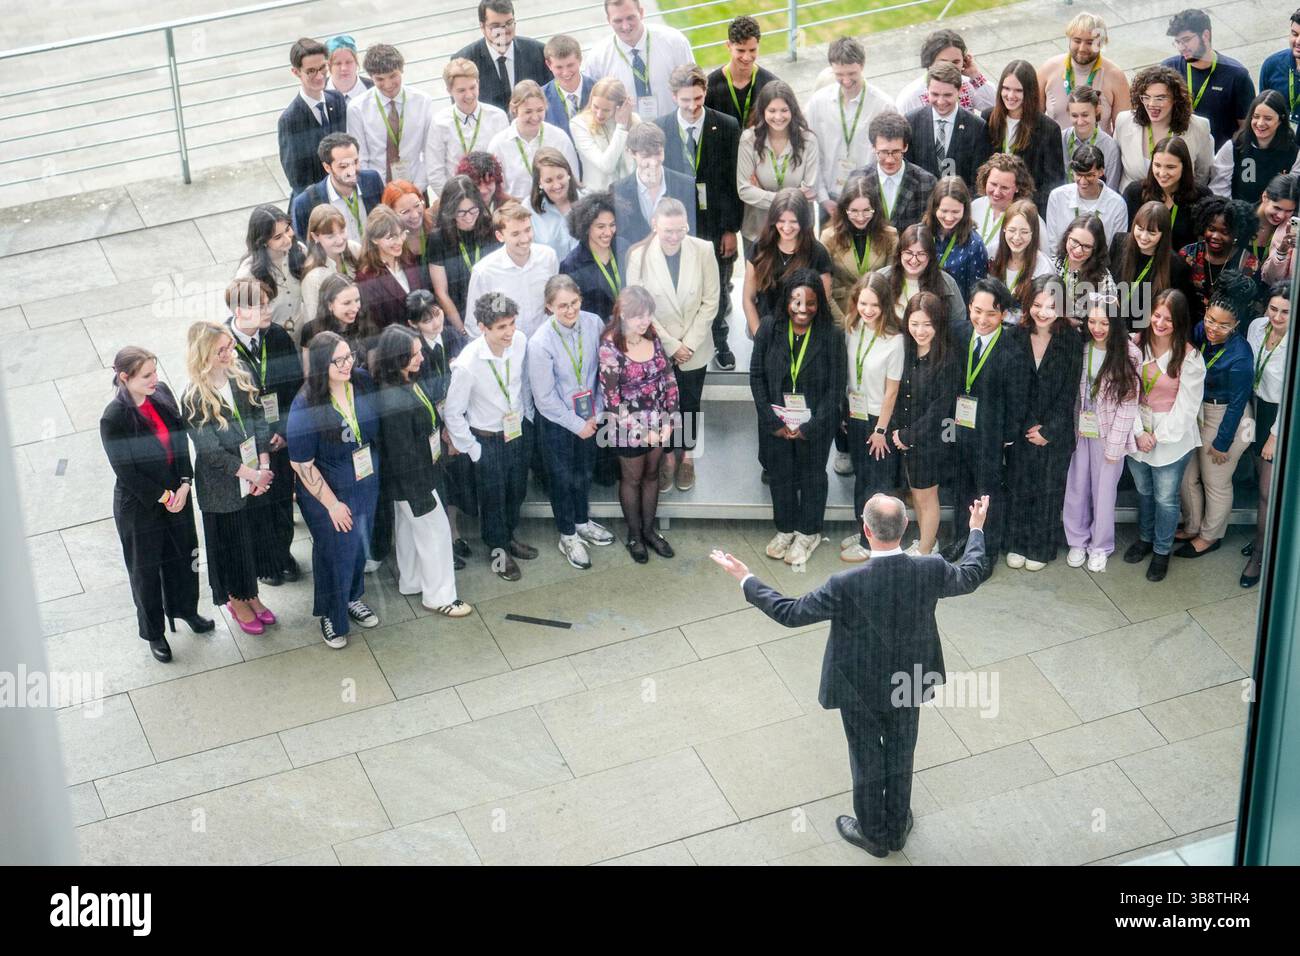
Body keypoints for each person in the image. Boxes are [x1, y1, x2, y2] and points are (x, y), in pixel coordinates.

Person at [712, 493, 990, 859]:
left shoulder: (845, 583)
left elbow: (790, 613)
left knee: (865, 757)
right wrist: (975, 530)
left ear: (866, 530)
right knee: (902, 751)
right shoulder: (931, 568)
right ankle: (896, 825)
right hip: (909, 680)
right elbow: (971, 574)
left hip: (858, 685)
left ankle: (873, 832)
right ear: (907, 527)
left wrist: (746, 577)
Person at [101, 347, 213, 663]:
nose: (155, 380)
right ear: (125, 378)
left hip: (177, 493)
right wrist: (166, 497)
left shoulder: (161, 394)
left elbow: (180, 444)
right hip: (141, 506)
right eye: (146, 375)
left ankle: (185, 610)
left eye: (155, 372)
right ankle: (154, 633)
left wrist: (185, 483)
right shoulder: (114, 418)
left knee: (183, 556)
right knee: (146, 572)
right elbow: (126, 472)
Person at [369, 325, 472, 618]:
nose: (420, 359)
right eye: (412, 355)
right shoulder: (394, 399)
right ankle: (440, 596)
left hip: (410, 480)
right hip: (416, 480)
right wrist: (421, 490)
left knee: (408, 531)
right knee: (435, 533)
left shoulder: (399, 384)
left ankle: (411, 581)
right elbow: (402, 454)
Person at [287, 331, 381, 645]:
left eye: (348, 357)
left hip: (364, 481)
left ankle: (352, 596)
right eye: (337, 360)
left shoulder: (362, 381)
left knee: (356, 546)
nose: (346, 364)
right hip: (328, 494)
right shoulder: (305, 405)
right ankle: (332, 613)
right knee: (334, 553)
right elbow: (301, 464)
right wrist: (332, 505)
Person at [182, 321, 275, 637]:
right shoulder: (195, 397)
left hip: (252, 474)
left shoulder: (240, 376)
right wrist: (253, 474)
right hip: (223, 486)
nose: (228, 353)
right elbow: (211, 453)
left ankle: (252, 595)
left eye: (229, 347)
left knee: (248, 542)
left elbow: (260, 420)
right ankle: (237, 600)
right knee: (230, 545)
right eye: (220, 350)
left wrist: (263, 461)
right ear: (204, 354)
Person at [751, 269, 847, 566]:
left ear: (820, 303)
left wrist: (810, 426)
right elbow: (756, 377)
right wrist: (774, 422)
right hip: (777, 424)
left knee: (812, 475)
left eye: (810, 302)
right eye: (796, 302)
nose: (803, 309)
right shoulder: (769, 328)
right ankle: (785, 529)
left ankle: (808, 532)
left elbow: (836, 388)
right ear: (786, 301)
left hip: (815, 424)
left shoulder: (832, 335)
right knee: (781, 475)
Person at [626, 197, 720, 495]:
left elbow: (711, 300)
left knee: (690, 403)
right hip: (656, 348)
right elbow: (638, 309)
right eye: (668, 231)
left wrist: (688, 344)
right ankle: (668, 458)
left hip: (695, 346)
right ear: (654, 225)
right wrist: (670, 345)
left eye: (681, 230)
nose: (675, 236)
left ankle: (687, 457)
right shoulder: (638, 256)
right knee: (662, 407)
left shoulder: (703, 250)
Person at [444, 292, 538, 580]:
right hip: (487, 439)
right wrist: (474, 450)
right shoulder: (468, 364)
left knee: (516, 491)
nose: (509, 331)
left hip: (516, 432)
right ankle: (498, 552)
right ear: (483, 327)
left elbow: (519, 384)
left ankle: (508, 538)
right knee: (493, 499)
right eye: (501, 327)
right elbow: (453, 413)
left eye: (511, 323)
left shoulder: (519, 341)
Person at [656, 63, 742, 372]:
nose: (692, 107)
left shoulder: (727, 126)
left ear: (705, 92)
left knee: (715, 286)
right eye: (685, 100)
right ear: (673, 96)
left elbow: (734, 182)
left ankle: (720, 339)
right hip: (677, 226)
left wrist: (731, 229)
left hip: (715, 223)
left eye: (697, 98)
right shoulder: (661, 128)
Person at [527, 275, 615, 568]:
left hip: (590, 415)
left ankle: (582, 521)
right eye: (562, 305)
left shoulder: (594, 323)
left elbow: (603, 373)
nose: (570, 310)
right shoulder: (540, 342)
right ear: (549, 306)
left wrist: (597, 413)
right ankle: (567, 535)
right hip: (558, 422)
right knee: (562, 479)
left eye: (574, 302)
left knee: (584, 473)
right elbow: (544, 399)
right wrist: (578, 425)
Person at [944, 277, 1027, 576]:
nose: (982, 319)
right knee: (960, 488)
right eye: (977, 310)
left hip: (990, 436)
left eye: (991, 313)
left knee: (987, 492)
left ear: (1002, 314)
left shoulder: (1012, 350)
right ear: (968, 307)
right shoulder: (958, 333)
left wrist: (1006, 438)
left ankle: (986, 551)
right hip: (957, 427)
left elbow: (1017, 401)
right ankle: (961, 539)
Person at [224, 277, 304, 588]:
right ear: (240, 311)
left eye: (267, 302)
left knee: (282, 496)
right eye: (259, 305)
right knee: (256, 503)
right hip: (247, 444)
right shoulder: (224, 347)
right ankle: (264, 561)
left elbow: (294, 386)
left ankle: (282, 554)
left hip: (278, 437)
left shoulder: (277, 337)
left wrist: (284, 430)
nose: (267, 309)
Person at [1124, 289, 1206, 582]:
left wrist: (1155, 436)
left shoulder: (1190, 357)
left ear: (1179, 322)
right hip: (1135, 431)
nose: (1159, 322)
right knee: (1143, 492)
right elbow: (1123, 393)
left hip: (1170, 437)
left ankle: (1161, 551)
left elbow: (1187, 409)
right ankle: (1145, 539)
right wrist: (1137, 432)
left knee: (1166, 498)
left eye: (1168, 319)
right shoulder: (1133, 344)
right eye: (1156, 315)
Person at [1176, 270, 1257, 559]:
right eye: (1211, 319)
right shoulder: (1200, 330)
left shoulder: (1241, 356)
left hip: (1226, 419)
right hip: (1198, 411)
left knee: (1216, 482)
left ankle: (1211, 536)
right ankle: (1192, 524)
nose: (1213, 328)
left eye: (1223, 325)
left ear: (1236, 325)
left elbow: (1237, 405)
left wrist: (1222, 443)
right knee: (1187, 477)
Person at [1004, 276, 1082, 570]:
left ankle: (1040, 546)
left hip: (1054, 431)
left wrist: (1049, 430)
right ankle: (1017, 543)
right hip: (1020, 428)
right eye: (1037, 305)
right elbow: (1009, 386)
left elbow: (1069, 392)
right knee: (1018, 486)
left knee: (1048, 490)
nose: (1042, 312)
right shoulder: (1014, 336)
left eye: (1051, 306)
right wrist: (1018, 427)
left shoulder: (1071, 340)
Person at [598, 285, 679, 562]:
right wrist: (641, 432)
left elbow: (668, 377)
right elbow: (611, 398)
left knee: (652, 475)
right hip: (626, 428)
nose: (644, 321)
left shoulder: (653, 336)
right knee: (631, 479)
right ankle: (634, 535)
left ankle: (649, 531)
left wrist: (669, 419)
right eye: (637, 317)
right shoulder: (610, 345)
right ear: (622, 315)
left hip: (658, 421)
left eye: (647, 315)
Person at [1062, 293, 1141, 573]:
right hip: (1081, 426)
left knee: (1104, 491)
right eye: (1092, 322)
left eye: (1104, 322)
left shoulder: (1130, 353)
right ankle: (1077, 539)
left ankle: (1100, 546)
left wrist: (1116, 445)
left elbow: (1129, 403)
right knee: (1077, 485)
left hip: (1110, 431)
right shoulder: (1083, 348)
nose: (1097, 328)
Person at [403, 290, 475, 567]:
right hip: (430, 425)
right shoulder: (414, 349)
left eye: (436, 314)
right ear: (413, 324)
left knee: (458, 480)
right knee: (438, 482)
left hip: (458, 418)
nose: (435, 322)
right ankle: (442, 541)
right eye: (426, 320)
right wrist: (442, 425)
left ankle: (455, 532)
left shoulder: (455, 337)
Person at [837, 272, 904, 563]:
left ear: (885, 305)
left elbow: (892, 392)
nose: (868, 310)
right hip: (855, 413)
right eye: (863, 303)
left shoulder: (895, 339)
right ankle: (862, 528)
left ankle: (872, 543)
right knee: (862, 476)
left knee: (879, 482)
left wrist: (880, 429)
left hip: (879, 419)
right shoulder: (852, 329)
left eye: (874, 305)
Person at [892, 292, 960, 555]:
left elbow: (940, 408)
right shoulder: (906, 351)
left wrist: (910, 435)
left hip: (930, 441)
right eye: (914, 323)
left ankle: (926, 549)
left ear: (939, 324)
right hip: (906, 437)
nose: (920, 331)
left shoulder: (947, 358)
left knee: (926, 496)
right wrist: (898, 431)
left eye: (927, 325)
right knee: (916, 494)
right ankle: (925, 541)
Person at [805, 38, 892, 218]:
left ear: (862, 65)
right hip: (829, 198)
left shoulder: (883, 106)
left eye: (852, 73)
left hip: (868, 200)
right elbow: (812, 152)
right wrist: (822, 198)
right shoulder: (818, 103)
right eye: (839, 74)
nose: (845, 80)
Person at [1241, 283, 1291, 587]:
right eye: (1273, 309)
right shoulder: (1257, 326)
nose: (1277, 316)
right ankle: (1266, 537)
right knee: (1260, 479)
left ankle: (1260, 553)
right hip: (1255, 407)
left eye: (1285, 311)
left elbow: (1292, 395)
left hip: (1279, 415)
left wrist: (1274, 435)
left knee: (1266, 491)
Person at [742, 188, 834, 338]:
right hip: (765, 330)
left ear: (804, 222)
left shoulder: (818, 253)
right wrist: (760, 335)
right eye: (781, 221)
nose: (786, 227)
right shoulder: (760, 247)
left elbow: (823, 303)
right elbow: (748, 298)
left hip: (802, 335)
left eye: (793, 222)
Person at [1161, 9, 1256, 150]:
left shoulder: (1236, 75)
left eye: (1186, 40)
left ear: (1205, 35)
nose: (1181, 47)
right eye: (1177, 42)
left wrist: (1227, 157)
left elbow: (1246, 127)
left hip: (1218, 161)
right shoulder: (1168, 69)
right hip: (1178, 158)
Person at [737, 81, 821, 242]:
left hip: (798, 231)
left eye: (784, 110)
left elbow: (809, 189)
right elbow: (744, 190)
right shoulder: (749, 139)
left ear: (793, 111)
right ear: (763, 111)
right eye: (772, 111)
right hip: (759, 231)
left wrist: (762, 192)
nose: (778, 117)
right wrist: (792, 197)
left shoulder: (808, 141)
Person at [586, 0, 693, 119]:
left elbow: (694, 87)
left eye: (630, 18)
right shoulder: (597, 58)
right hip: (627, 134)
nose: (625, 26)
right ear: (608, 20)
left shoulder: (675, 43)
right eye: (618, 20)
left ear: (641, 12)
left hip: (675, 127)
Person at [346, 43, 434, 190]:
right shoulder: (357, 108)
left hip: (415, 187)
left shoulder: (423, 101)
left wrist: (416, 190)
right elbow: (361, 158)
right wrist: (375, 191)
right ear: (370, 77)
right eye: (379, 79)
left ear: (402, 70)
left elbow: (429, 153)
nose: (388, 85)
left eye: (393, 76)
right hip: (377, 190)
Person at [465, 201, 559, 336]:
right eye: (515, 234)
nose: (525, 239)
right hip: (506, 349)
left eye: (528, 230)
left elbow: (554, 301)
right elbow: (474, 325)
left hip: (544, 343)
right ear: (500, 236)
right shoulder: (484, 272)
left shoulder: (548, 257)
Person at [1114, 66, 1215, 190]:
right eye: (1146, 97)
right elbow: (1116, 168)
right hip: (1134, 202)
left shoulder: (1199, 127)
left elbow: (1202, 174)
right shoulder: (1123, 121)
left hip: (1178, 203)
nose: (1151, 104)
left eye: (1160, 98)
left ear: (1175, 99)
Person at [984, 60, 1064, 212]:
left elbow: (1052, 184)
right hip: (991, 204)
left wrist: (1025, 209)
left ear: (1029, 92)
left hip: (1025, 210)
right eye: (1006, 88)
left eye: (1018, 90)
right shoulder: (988, 118)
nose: (1010, 95)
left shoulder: (1048, 129)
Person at [425, 58, 511, 198]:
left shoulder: (498, 117)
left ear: (478, 84)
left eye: (473, 87)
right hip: (459, 198)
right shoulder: (440, 123)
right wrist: (455, 201)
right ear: (449, 90)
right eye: (461, 90)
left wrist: (497, 194)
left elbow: (506, 162)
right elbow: (435, 171)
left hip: (493, 195)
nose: (469, 95)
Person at [451, 0, 553, 114]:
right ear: (482, 27)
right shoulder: (464, 61)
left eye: (509, 23)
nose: (503, 31)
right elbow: (460, 112)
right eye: (495, 26)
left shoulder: (538, 52)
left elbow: (551, 102)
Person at [1037, 11, 1131, 134]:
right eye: (1077, 41)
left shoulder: (1116, 77)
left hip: (1098, 152)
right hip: (1056, 151)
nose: (1082, 49)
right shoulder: (1048, 69)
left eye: (1090, 43)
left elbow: (1123, 130)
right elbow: (1032, 121)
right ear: (1069, 39)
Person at [428, 175, 500, 334]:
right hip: (458, 313)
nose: (468, 218)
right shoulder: (438, 239)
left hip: (493, 312)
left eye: (473, 210)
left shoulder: (490, 228)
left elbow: (500, 278)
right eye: (461, 213)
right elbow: (441, 292)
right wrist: (462, 329)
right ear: (449, 211)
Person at [820, 173, 898, 321]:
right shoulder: (828, 237)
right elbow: (825, 291)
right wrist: (843, 325)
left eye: (866, 211)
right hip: (842, 314)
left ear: (875, 208)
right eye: (854, 211)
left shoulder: (890, 236)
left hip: (877, 315)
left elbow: (892, 284)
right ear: (844, 210)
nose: (861, 217)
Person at [487, 79, 581, 201]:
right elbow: (495, 190)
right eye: (528, 111)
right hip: (515, 213)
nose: (535, 117)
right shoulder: (498, 144)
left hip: (555, 210)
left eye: (540, 110)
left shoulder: (559, 138)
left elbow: (573, 180)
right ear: (514, 109)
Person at [278, 37, 348, 201]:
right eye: (310, 71)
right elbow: (297, 178)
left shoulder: (337, 100)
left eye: (322, 68)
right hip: (316, 203)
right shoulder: (290, 120)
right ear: (296, 72)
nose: (319, 76)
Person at [1108, 200, 1196, 330]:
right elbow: (1105, 278)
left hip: (1145, 333)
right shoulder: (1119, 242)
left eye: (1152, 233)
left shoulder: (1176, 266)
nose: (1144, 237)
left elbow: (1179, 310)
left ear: (1163, 234)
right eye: (1140, 228)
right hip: (1111, 325)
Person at [904, 61, 991, 190]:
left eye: (947, 95)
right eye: (935, 94)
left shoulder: (977, 127)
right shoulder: (911, 122)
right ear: (927, 90)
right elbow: (907, 173)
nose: (940, 101)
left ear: (960, 91)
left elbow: (978, 181)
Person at [612, 122, 698, 246]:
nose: (653, 162)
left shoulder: (686, 185)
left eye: (658, 154)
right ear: (631, 153)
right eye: (645, 155)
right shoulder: (618, 191)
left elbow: (693, 233)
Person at [1121, 135, 1211, 253]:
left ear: (1184, 167)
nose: (1162, 173)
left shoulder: (1201, 196)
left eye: (1170, 167)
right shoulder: (1135, 192)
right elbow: (1127, 236)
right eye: (1157, 165)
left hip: (1181, 267)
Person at [290, 132, 384, 243]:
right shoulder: (306, 203)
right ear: (327, 167)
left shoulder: (372, 180)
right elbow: (306, 248)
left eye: (355, 162)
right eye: (343, 166)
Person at [235, 204, 307, 342]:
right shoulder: (246, 275)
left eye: (288, 229)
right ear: (263, 242)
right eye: (278, 237)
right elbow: (242, 324)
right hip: (272, 345)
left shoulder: (300, 251)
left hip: (303, 336)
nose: (287, 238)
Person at [355, 205, 431, 337]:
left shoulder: (408, 259)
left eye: (401, 234)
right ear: (374, 239)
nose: (399, 241)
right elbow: (375, 325)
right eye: (390, 237)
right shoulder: (366, 277)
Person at [1179, 197, 1261, 320]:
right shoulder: (1188, 254)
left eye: (1225, 232)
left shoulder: (1249, 264)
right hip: (1188, 321)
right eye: (1211, 229)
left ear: (1237, 233)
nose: (1216, 236)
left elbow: (1251, 306)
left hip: (1227, 329)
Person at [854, 111, 935, 234]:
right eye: (884, 152)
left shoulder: (927, 182)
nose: (890, 159)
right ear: (873, 147)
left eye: (896, 152)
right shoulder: (857, 180)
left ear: (906, 147)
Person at [1211, 92, 1299, 205]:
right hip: (1237, 215)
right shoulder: (1234, 147)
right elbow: (1219, 190)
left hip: (1276, 217)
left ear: (1280, 121)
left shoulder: (1294, 154)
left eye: (1268, 118)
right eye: (1256, 117)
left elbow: (1293, 197)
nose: (1260, 123)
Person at [880, 223, 969, 332]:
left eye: (921, 254)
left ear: (930, 255)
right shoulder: (882, 278)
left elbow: (958, 323)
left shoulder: (947, 283)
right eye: (908, 253)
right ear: (899, 253)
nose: (914, 260)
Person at [1044, 145, 1129, 252]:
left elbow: (1116, 250)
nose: (1083, 182)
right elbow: (1053, 245)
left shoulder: (1117, 205)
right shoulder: (1057, 197)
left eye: (1089, 175)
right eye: (1078, 175)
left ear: (1101, 172)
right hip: (1063, 265)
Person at [561, 191, 628, 324]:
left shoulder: (624, 247)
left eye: (612, 225)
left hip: (629, 325)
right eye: (601, 227)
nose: (608, 232)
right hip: (596, 331)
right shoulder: (572, 264)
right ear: (586, 227)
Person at [895, 28, 995, 115]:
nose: (950, 68)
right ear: (929, 62)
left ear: (964, 62)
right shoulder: (910, 97)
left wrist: (974, 75)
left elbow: (996, 107)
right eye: (943, 62)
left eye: (956, 62)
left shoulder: (968, 85)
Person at [923, 176, 988, 303]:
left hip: (955, 315)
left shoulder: (974, 244)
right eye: (944, 211)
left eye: (955, 212)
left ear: (965, 209)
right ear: (934, 208)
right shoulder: (921, 234)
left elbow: (977, 292)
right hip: (920, 313)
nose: (949, 217)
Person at [705, 15, 776, 130]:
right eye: (740, 50)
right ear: (728, 46)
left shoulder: (771, 84)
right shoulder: (709, 87)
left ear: (759, 45)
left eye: (752, 50)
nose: (747, 57)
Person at [988, 199, 1055, 320]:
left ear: (1033, 233)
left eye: (1024, 232)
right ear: (1004, 229)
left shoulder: (1044, 267)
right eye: (1012, 230)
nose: (1017, 237)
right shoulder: (991, 252)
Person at [970, 153, 1046, 256]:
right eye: (993, 184)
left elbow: (1044, 256)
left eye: (1004, 188)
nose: (996, 192)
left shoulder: (1030, 217)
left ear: (1018, 188)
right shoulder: (974, 206)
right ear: (985, 180)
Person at [570, 77, 638, 192]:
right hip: (597, 196)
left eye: (606, 110)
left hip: (629, 192)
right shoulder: (579, 124)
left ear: (620, 106)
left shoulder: (635, 120)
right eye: (595, 107)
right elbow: (606, 166)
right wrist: (621, 128)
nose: (599, 114)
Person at [300, 204, 362, 325]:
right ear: (315, 237)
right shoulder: (313, 278)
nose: (340, 240)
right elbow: (314, 322)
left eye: (342, 231)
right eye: (331, 236)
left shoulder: (354, 248)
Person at [1053, 214, 1116, 324]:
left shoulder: (1103, 279)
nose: (1078, 250)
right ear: (1067, 237)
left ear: (1096, 249)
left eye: (1086, 246)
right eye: (1074, 241)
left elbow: (1111, 318)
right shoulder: (1053, 264)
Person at [300, 273, 366, 371]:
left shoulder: (364, 323)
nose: (355, 308)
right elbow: (309, 373)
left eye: (357, 300)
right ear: (330, 305)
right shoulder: (310, 330)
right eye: (347, 303)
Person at [1062, 86, 1122, 192]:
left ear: (1097, 111)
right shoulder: (1061, 139)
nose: (1080, 122)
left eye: (1085, 115)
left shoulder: (1109, 147)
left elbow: (1111, 189)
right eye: (1074, 116)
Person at [526, 147, 581, 259]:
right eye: (549, 180)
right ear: (539, 183)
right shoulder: (527, 209)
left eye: (560, 177)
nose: (556, 185)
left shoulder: (588, 199)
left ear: (568, 174)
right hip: (549, 274)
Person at [541, 34, 595, 147]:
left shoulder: (598, 90)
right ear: (549, 65)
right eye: (559, 67)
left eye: (570, 65)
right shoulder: (540, 98)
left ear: (580, 60)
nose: (565, 73)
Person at [1252, 174, 1300, 286]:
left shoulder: (1288, 230)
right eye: (1277, 208)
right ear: (1265, 196)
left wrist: (1283, 250)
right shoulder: (1242, 218)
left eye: (1289, 211)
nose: (1281, 216)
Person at [1257, 9, 1300, 130]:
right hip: (1279, 145)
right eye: (1294, 34)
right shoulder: (1271, 65)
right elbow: (1263, 110)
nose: (1298, 41)